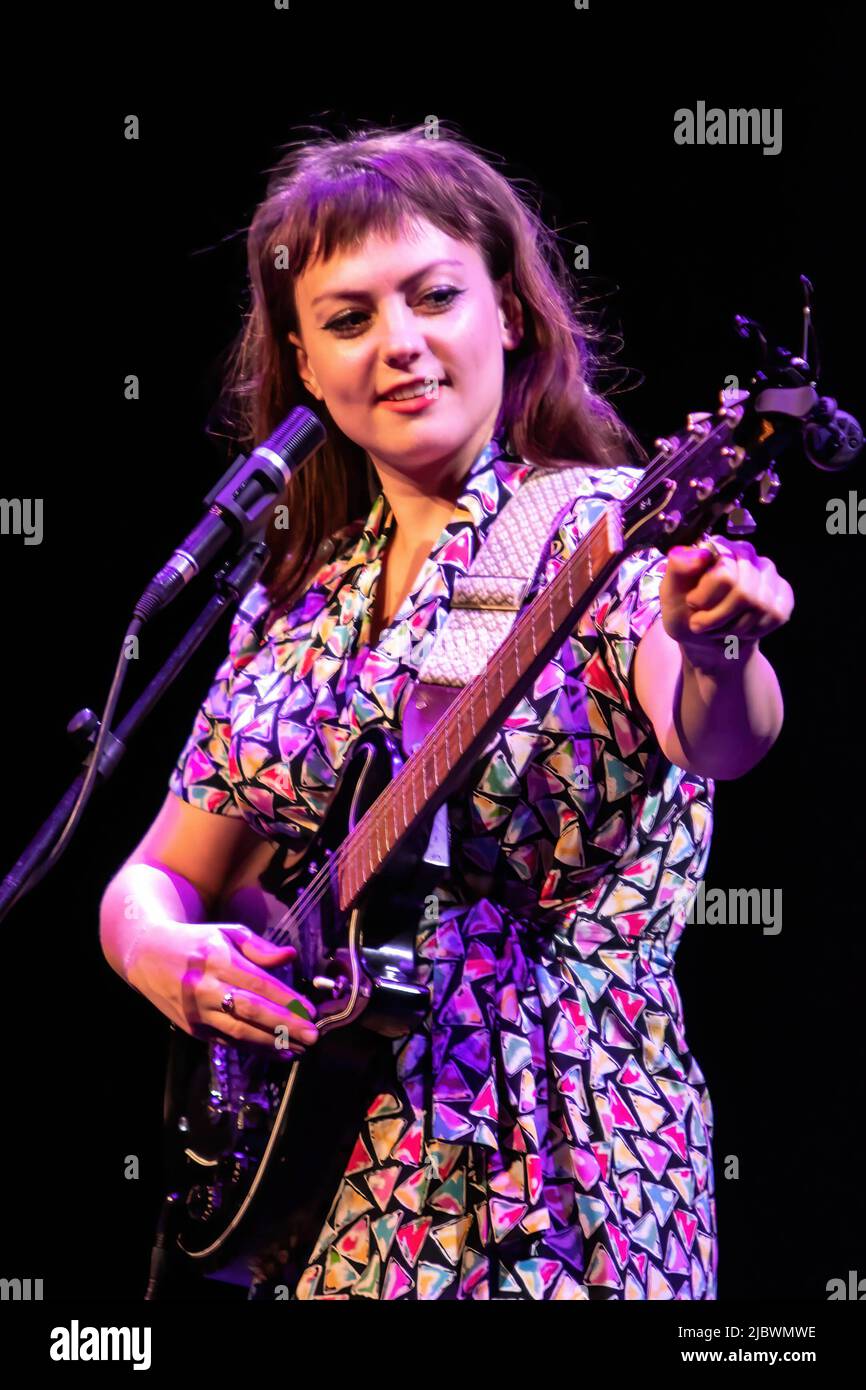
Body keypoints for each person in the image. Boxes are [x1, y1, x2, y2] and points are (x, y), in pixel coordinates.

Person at [99, 123, 793, 1300]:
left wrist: (715, 641)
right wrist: (164, 952)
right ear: (305, 364)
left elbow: (712, 733)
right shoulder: (291, 602)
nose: (402, 345)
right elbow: (156, 875)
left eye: (434, 296)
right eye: (350, 318)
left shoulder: (600, 528)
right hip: (328, 1188)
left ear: (509, 314)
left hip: (561, 1170)